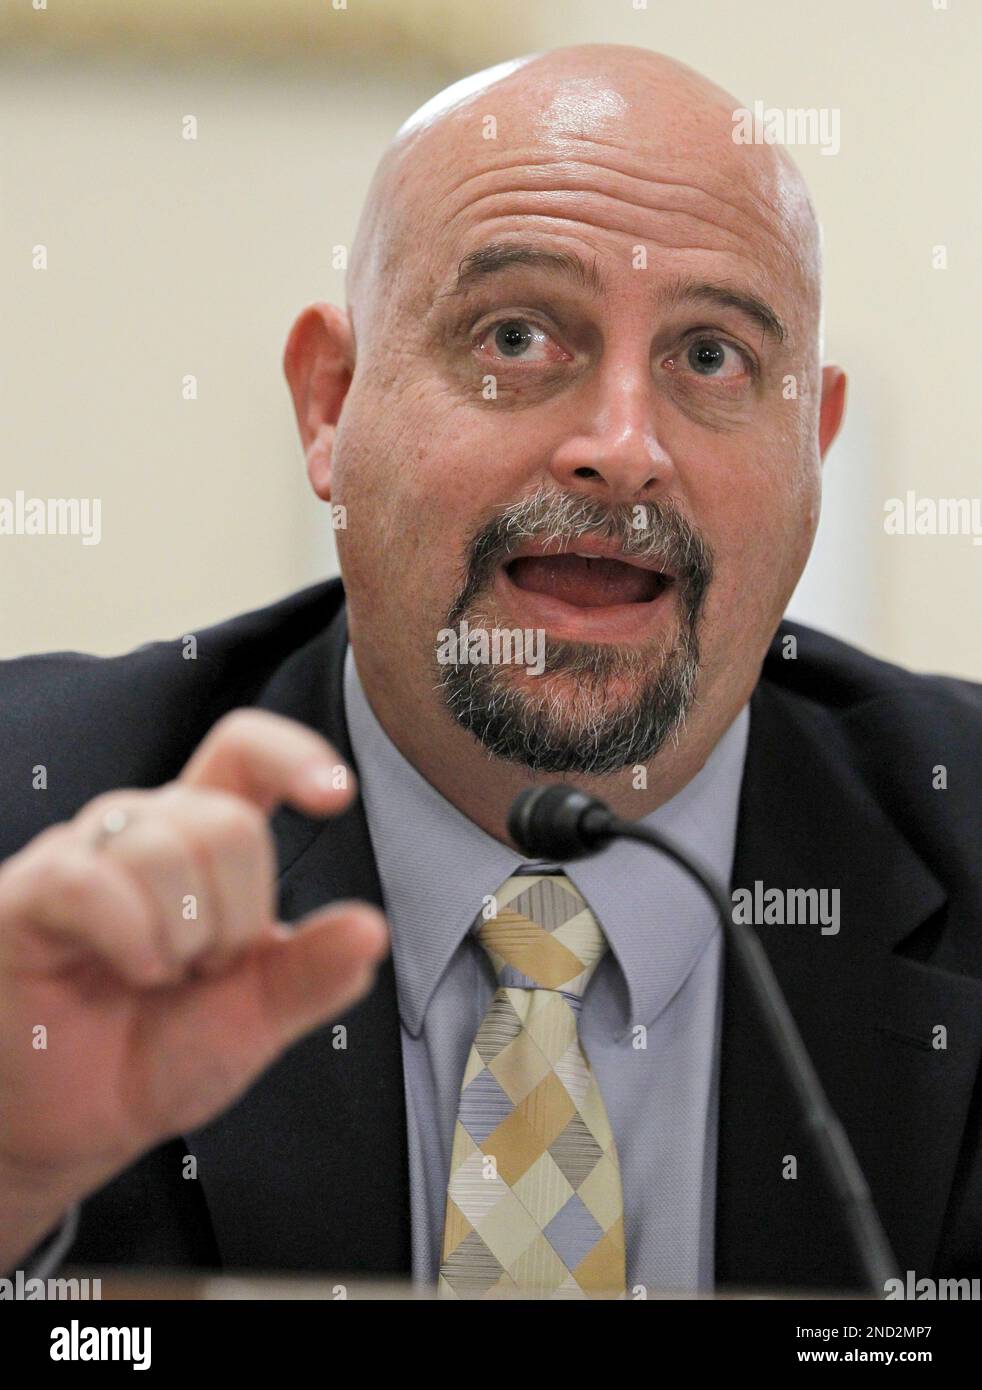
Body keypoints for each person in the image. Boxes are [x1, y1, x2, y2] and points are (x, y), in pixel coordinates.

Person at [1, 43, 980, 1299]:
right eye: (515, 334)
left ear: (813, 452)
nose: (622, 449)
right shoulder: (37, 837)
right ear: (330, 402)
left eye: (711, 357)